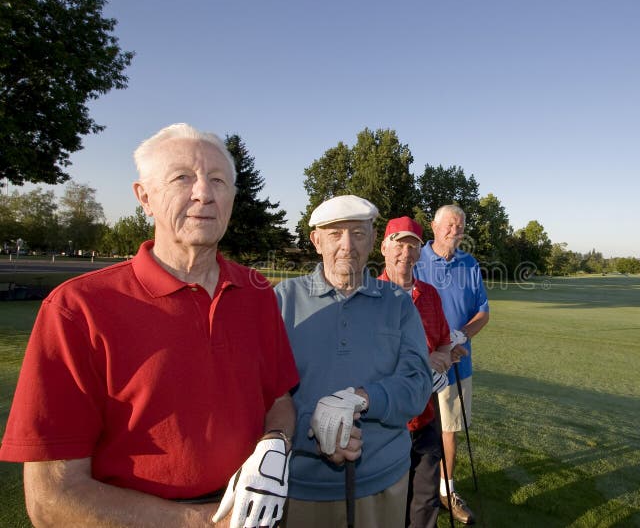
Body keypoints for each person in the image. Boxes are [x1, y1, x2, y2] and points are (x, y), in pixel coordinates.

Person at [0, 123, 299, 528]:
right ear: (145, 197)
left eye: (218, 180)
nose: (204, 193)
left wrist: (275, 443)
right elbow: (51, 498)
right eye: (182, 178)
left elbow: (278, 400)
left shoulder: (256, 292)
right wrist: (205, 522)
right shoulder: (76, 308)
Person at [274, 195, 432, 528]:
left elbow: (418, 386)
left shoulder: (398, 303)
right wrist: (316, 428)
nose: (347, 245)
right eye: (335, 234)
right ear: (316, 241)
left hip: (382, 484)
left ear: (373, 240)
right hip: (300, 487)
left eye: (358, 234)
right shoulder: (282, 300)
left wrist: (361, 398)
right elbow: (260, 395)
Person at [378, 216, 467, 528]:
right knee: (388, 501)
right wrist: (423, 363)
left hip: (426, 416)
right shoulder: (369, 296)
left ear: (419, 251)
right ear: (384, 248)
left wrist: (444, 355)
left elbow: (442, 340)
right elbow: (368, 359)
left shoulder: (429, 294)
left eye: (412, 246)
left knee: (425, 501)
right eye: (399, 245)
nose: (406, 253)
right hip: (385, 423)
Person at [414, 204, 490, 525]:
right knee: (412, 426)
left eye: (459, 226)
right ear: (434, 226)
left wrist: (461, 336)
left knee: (449, 429)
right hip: (419, 362)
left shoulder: (469, 263)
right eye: (449, 225)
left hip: (457, 363)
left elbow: (483, 312)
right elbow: (404, 305)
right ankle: (411, 486)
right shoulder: (415, 259)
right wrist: (435, 348)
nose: (454, 231)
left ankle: (446, 491)